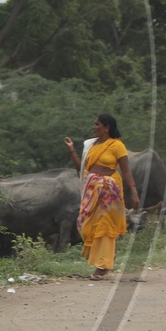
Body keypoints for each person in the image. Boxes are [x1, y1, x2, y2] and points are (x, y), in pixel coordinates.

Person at [64, 113, 137, 279]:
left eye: (97, 124)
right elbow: (82, 170)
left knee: (105, 226)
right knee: (86, 227)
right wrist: (72, 150)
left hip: (109, 191)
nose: (93, 127)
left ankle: (102, 266)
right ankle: (108, 255)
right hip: (91, 191)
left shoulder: (117, 145)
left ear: (106, 128)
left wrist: (134, 192)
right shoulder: (91, 145)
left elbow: (126, 171)